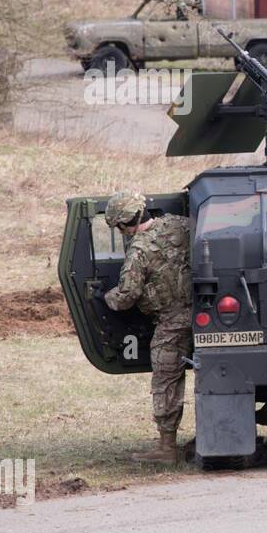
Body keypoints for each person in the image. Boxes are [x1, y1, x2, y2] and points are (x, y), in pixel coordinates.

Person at [102, 192, 193, 463]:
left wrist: (107, 297)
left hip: (172, 323)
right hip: (205, 313)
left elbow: (127, 296)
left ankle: (167, 448)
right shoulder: (182, 224)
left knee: (165, 380)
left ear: (123, 225)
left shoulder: (138, 250)